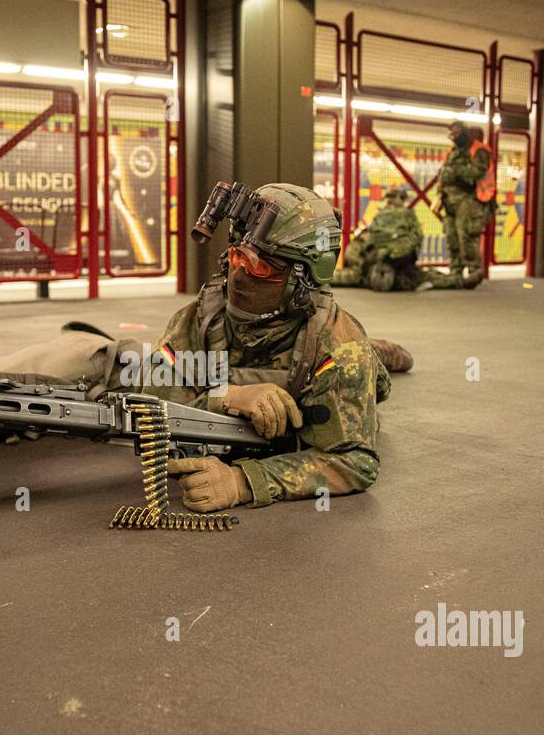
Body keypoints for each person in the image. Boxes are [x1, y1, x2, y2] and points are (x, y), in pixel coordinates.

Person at [144, 182, 403, 514]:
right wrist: (226, 397)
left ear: (302, 278)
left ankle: (380, 353)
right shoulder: (203, 317)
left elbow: (354, 461)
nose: (240, 275)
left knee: (367, 363)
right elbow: (151, 398)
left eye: (262, 268)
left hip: (342, 363)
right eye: (238, 257)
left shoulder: (340, 347)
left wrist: (243, 481)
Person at [427, 120, 495, 289]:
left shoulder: (478, 150)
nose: (454, 136)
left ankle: (474, 272)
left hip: (469, 198)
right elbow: (443, 175)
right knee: (451, 236)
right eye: (452, 133)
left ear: (465, 132)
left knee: (466, 236)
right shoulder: (452, 152)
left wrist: (456, 172)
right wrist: (439, 194)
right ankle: (455, 272)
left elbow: (479, 172)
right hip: (449, 200)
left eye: (457, 132)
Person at [332, 185, 425, 292]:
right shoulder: (409, 214)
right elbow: (417, 238)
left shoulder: (380, 214)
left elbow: (365, 239)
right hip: (398, 260)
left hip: (374, 258)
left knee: (348, 274)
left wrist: (361, 261)